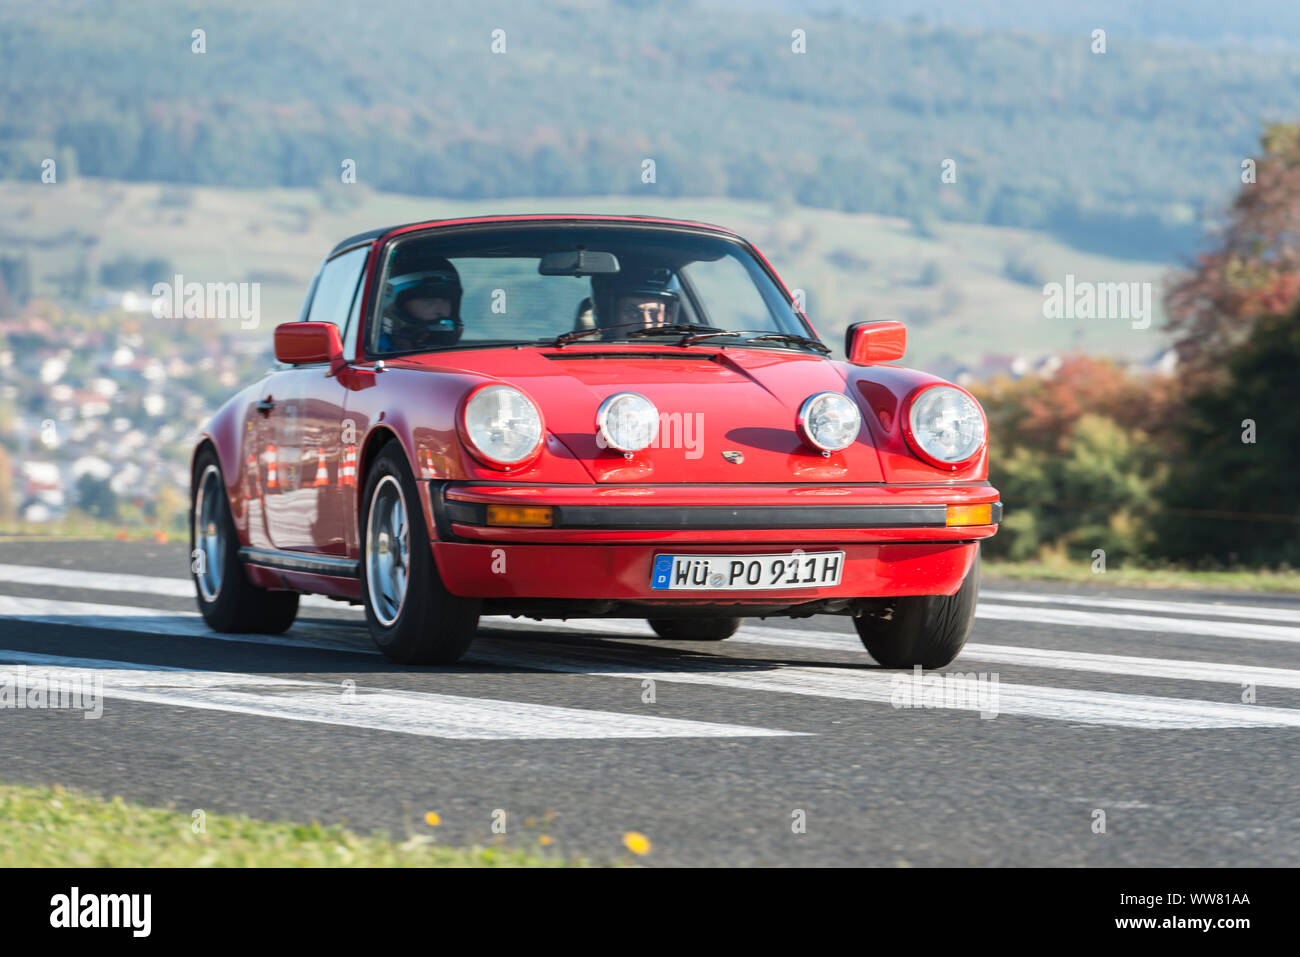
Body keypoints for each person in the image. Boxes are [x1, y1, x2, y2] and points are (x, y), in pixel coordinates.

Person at [377, 257, 463, 353]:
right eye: (429, 301)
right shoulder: (372, 354)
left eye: (446, 300)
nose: (441, 311)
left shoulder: (463, 354)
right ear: (397, 307)